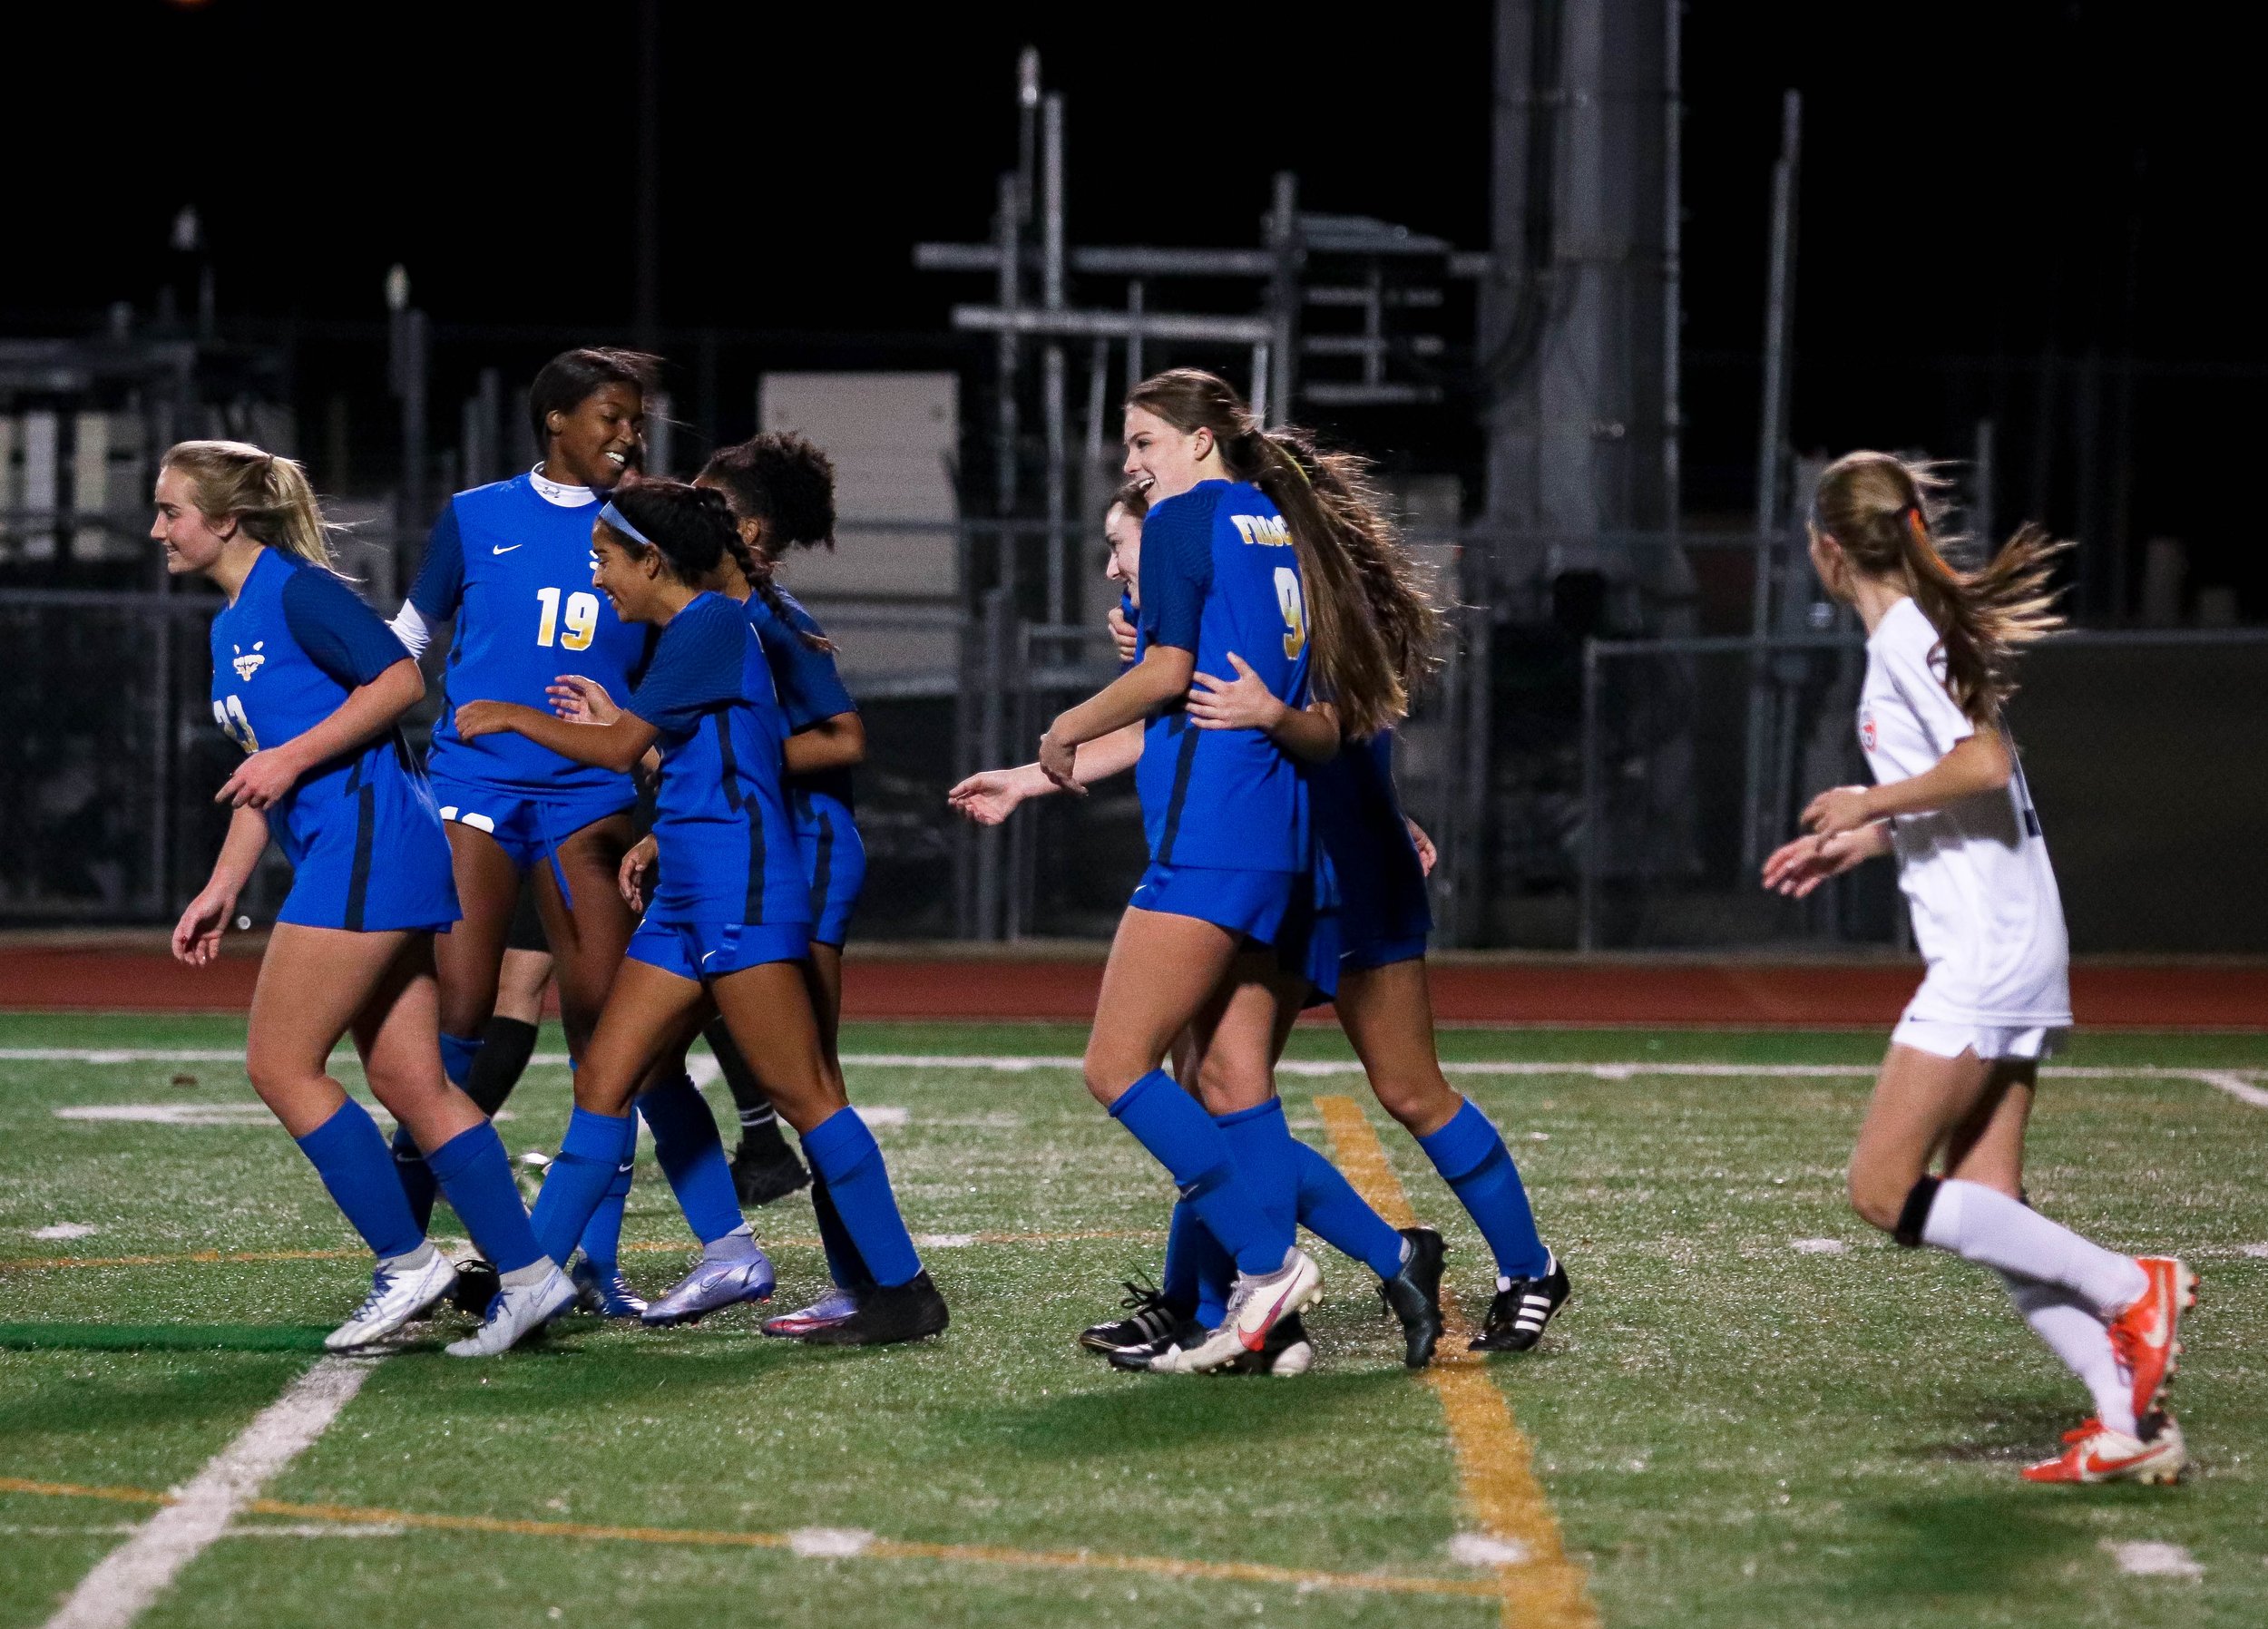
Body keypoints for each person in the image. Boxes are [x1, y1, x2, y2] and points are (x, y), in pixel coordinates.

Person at [959, 370, 1443, 1374]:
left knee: (1114, 1066)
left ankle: (1264, 1271)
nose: (1133, 467)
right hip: (1279, 844)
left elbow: (1170, 680)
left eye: (1141, 444)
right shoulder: (1275, 526)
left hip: (1212, 844)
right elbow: (1278, 707)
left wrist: (1060, 725)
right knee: (1225, 1083)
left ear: (1195, 442)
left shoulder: (1187, 515)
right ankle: (1351, 1274)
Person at [1761, 450, 2194, 1485]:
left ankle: (2133, 1285)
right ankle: (2125, 1420)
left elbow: (1984, 764)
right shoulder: (1920, 633)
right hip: (2012, 937)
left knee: (1880, 1189)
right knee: (1990, 1202)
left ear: (1827, 548)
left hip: (1987, 950)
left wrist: (1867, 801)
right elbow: (1974, 783)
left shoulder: (1906, 636)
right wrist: (1867, 838)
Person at [450, 479, 947, 1351]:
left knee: (804, 1093)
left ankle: (903, 1290)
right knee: (609, 1078)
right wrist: (639, 780)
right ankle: (535, 1287)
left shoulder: (715, 622)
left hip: (737, 889)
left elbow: (618, 751)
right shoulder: (697, 632)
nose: (597, 577)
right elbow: (691, 759)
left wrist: (511, 715)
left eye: (606, 559)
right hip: (688, 892)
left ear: (652, 559)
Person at [159, 440, 571, 1357]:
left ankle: (406, 1263)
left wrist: (292, 756)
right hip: (366, 845)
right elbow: (262, 778)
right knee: (411, 1080)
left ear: (226, 519)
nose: (159, 528)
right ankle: (532, 1275)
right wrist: (223, 885)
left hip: (368, 841)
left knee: (280, 1064)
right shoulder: (230, 624)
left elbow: (399, 676)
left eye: (172, 510)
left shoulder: (296, 591)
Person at [387, 347, 660, 1319]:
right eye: (611, 416)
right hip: (477, 784)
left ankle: (594, 1259)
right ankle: (402, 1251)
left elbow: (688, 641)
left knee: (604, 1024)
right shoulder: (476, 514)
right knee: (456, 1012)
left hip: (591, 794)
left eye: (636, 418)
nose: (628, 434)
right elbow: (411, 635)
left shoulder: (650, 523)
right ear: (555, 421)